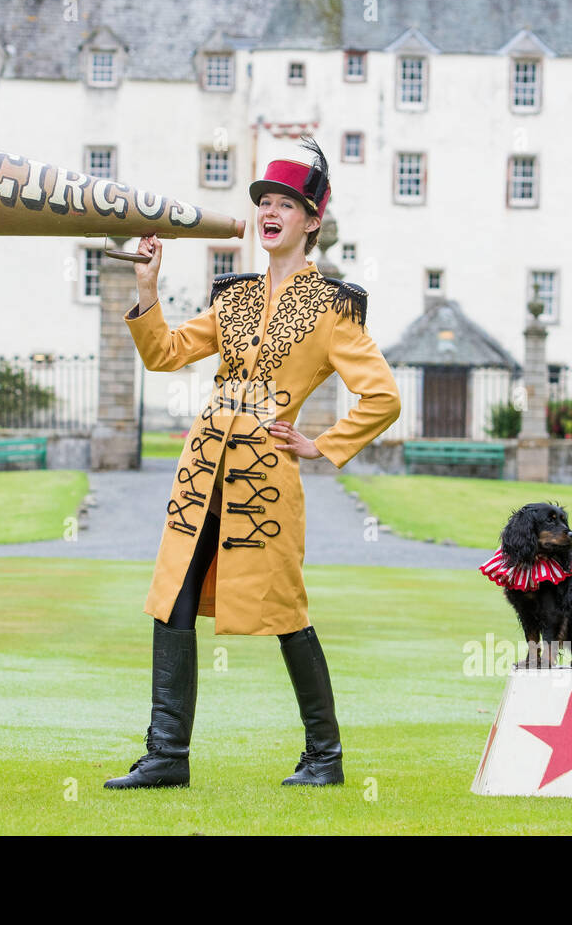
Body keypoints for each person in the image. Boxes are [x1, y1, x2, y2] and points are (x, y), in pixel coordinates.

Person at [105, 138, 401, 789]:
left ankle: (324, 757)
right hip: (200, 467)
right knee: (172, 596)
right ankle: (166, 757)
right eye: (263, 202)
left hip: (265, 482)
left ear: (312, 220)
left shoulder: (332, 308)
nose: (269, 211)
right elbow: (165, 353)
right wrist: (148, 288)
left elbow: (382, 395)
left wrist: (323, 444)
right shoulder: (233, 299)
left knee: (287, 611)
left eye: (284, 204)